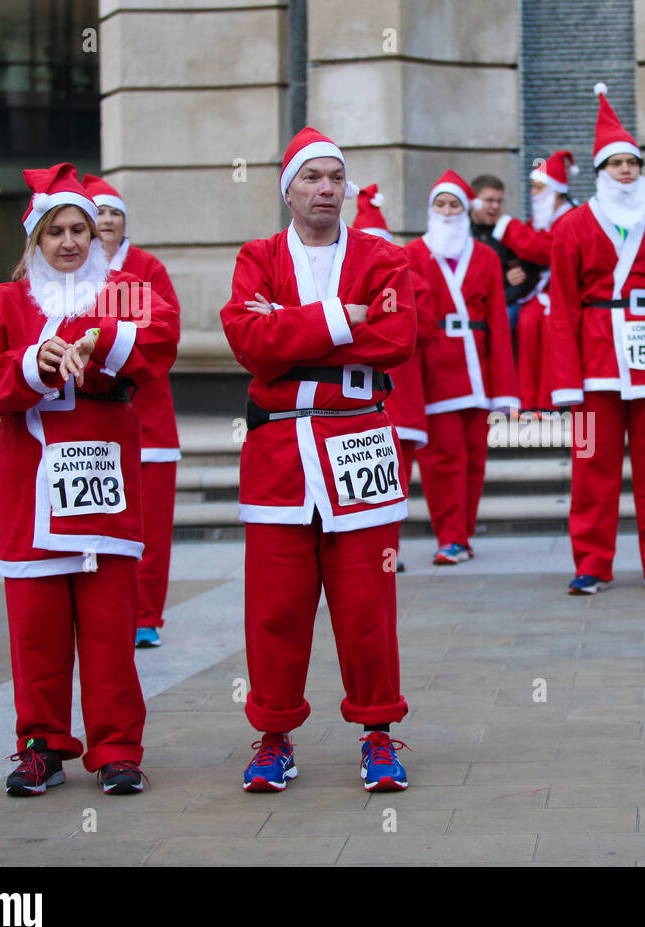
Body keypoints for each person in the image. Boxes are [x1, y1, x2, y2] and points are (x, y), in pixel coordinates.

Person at [0, 163, 179, 796]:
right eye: (56, 231)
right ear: (35, 241)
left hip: (104, 480)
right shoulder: (3, 301)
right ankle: (41, 746)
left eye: (82, 229)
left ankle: (116, 750)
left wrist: (99, 340)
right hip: (31, 487)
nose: (72, 242)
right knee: (36, 632)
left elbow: (160, 340)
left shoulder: (125, 291)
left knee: (110, 629)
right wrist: (31, 363)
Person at [220, 128, 416, 793]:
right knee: (274, 609)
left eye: (335, 177)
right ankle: (273, 737)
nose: (326, 188)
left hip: (360, 439)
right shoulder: (258, 255)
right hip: (277, 450)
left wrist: (292, 326)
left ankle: (379, 734)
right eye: (312, 178)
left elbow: (396, 337)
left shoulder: (383, 257)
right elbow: (247, 339)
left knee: (368, 606)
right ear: (289, 189)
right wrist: (340, 318)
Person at [548, 83, 645, 594]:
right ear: (600, 172)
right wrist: (566, 380)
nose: (626, 171)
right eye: (616, 164)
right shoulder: (572, 226)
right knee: (592, 467)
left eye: (633, 164)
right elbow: (564, 307)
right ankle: (591, 562)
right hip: (596, 360)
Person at [82, 174, 184, 645]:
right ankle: (103, 614)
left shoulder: (148, 267)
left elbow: (162, 332)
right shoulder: (70, 273)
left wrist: (101, 338)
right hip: (91, 424)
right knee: (101, 521)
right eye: (99, 214)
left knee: (152, 525)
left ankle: (146, 616)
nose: (107, 221)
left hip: (151, 420)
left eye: (115, 214)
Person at [406, 169, 520, 565]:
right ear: (431, 209)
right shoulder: (412, 255)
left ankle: (463, 534)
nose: (448, 210)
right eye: (441, 204)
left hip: (478, 368)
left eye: (455, 204)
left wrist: (505, 387)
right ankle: (449, 536)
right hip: (436, 369)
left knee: (474, 458)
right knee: (442, 458)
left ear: (465, 210)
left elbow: (500, 326)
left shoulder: (486, 256)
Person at [351, 182, 439, 571]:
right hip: (349, 402)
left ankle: (389, 552)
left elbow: (429, 331)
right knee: (359, 481)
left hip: (399, 403)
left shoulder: (411, 281)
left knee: (391, 481)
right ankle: (366, 551)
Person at [489, 149, 579, 411]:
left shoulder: (571, 218)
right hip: (537, 293)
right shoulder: (539, 219)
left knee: (551, 327)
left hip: (563, 294)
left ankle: (550, 402)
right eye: (533, 187)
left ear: (556, 190)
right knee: (527, 324)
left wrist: (509, 228)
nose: (534, 193)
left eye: (539, 187)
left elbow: (546, 250)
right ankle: (527, 402)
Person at [470, 173, 540, 321]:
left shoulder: (509, 231)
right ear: (473, 201)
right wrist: (503, 279)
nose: (495, 207)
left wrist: (512, 284)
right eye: (489, 200)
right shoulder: (460, 231)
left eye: (499, 201)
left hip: (503, 304)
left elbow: (531, 272)